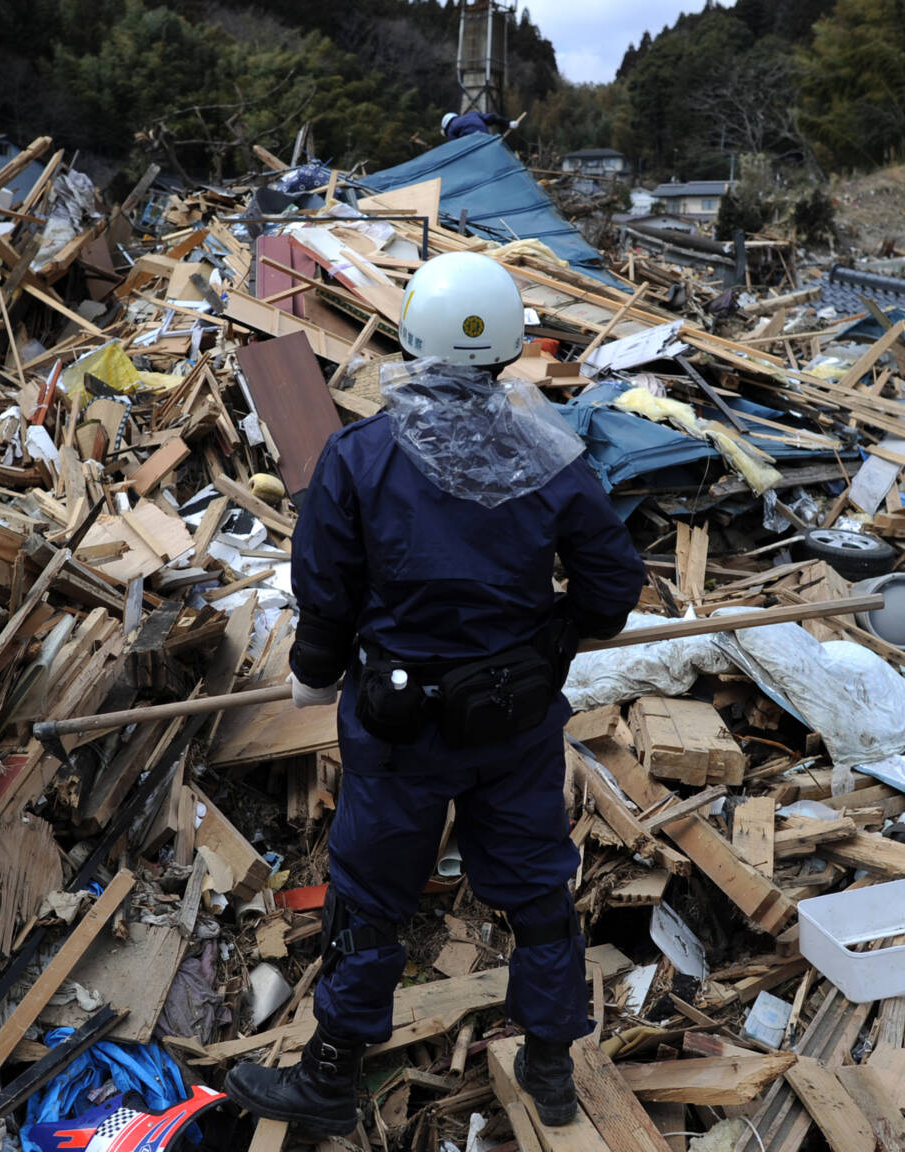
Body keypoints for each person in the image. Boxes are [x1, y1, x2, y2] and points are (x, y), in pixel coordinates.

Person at [224, 252, 646, 1137]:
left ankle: (332, 1076)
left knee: (372, 894)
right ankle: (552, 1067)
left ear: (411, 336)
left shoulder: (361, 455)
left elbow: (325, 589)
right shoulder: (552, 452)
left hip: (399, 728)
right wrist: (553, 637)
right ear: (509, 349)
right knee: (536, 890)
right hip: (515, 720)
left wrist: (314, 669)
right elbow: (613, 589)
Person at [441, 109, 520, 140]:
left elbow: (456, 146)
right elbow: (492, 118)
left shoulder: (450, 130)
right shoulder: (473, 114)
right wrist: (508, 123)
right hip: (485, 138)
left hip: (470, 145)